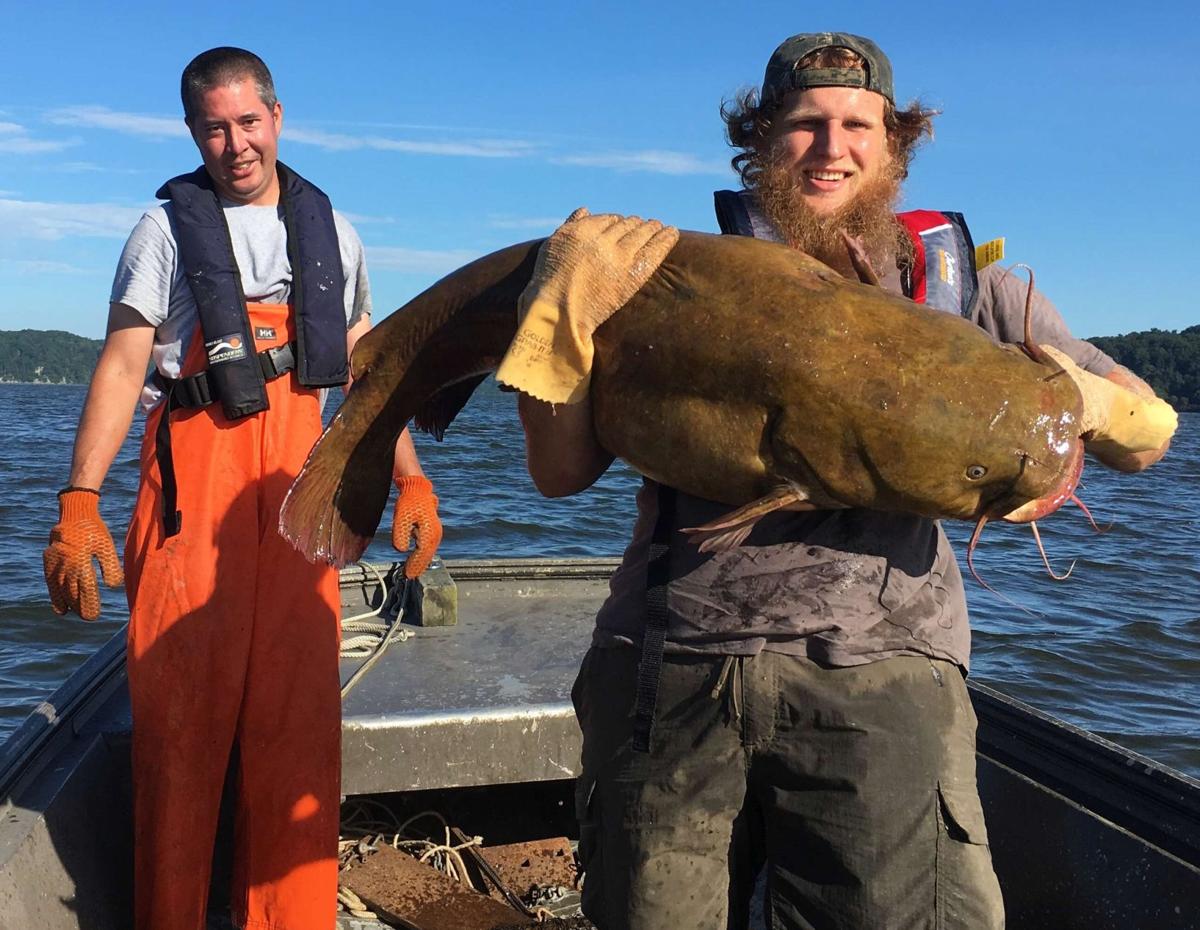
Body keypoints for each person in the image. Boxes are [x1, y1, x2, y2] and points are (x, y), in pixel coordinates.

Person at [506, 33, 1173, 930]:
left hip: (884, 676)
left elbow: (1149, 438)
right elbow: (559, 475)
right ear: (759, 141)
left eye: (859, 124)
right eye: (804, 123)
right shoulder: (667, 281)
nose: (832, 147)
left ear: (895, 143)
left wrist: (1074, 399)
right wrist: (555, 322)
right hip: (676, 661)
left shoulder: (976, 292)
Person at [41, 47, 442, 930]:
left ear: (277, 116)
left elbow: (367, 368)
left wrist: (412, 478)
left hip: (302, 504)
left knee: (295, 737)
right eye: (214, 128)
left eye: (248, 122)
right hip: (192, 497)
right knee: (182, 738)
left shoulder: (331, 231)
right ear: (193, 132)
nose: (235, 145)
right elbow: (121, 361)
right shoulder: (162, 228)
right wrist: (79, 501)